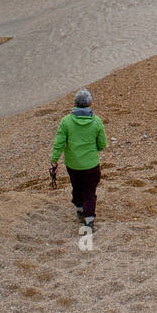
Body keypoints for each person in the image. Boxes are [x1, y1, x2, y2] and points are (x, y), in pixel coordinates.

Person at [50, 88, 108, 230]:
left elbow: (59, 143)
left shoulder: (66, 121)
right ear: (90, 104)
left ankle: (79, 209)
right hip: (91, 164)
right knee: (89, 191)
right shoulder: (97, 122)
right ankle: (89, 219)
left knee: (76, 187)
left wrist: (54, 160)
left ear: (75, 104)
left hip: (73, 164)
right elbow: (102, 144)